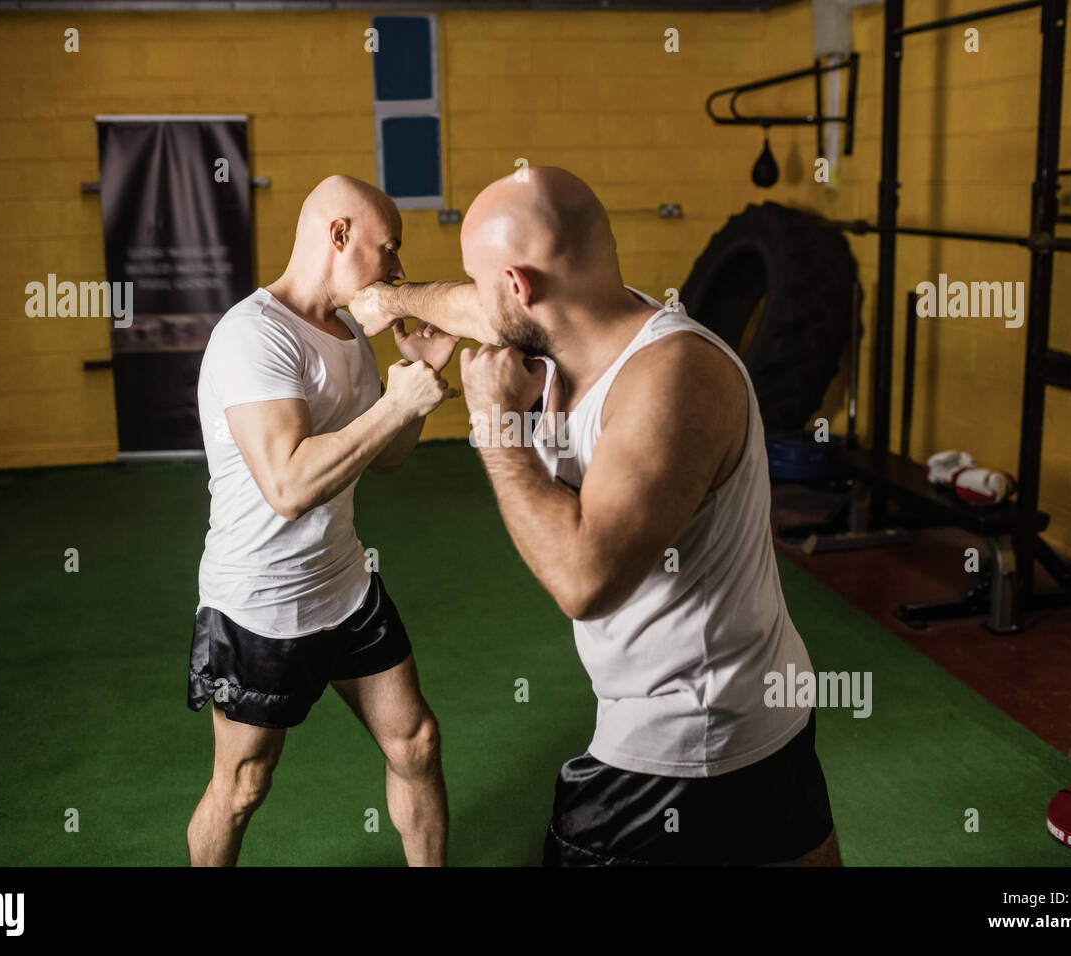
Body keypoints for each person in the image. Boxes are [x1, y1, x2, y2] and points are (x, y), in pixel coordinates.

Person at [349, 166, 841, 866]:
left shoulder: (668, 385)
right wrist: (387, 300)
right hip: (756, 709)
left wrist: (495, 425)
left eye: (480, 279)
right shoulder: (580, 314)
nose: (473, 304)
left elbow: (586, 580)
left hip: (680, 743)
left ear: (520, 286)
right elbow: (478, 309)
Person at [186, 175, 459, 866]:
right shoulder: (253, 336)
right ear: (338, 236)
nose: (396, 272)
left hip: (344, 586)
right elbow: (289, 483)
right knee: (243, 786)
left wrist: (415, 382)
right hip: (258, 604)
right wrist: (396, 406)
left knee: (416, 741)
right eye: (387, 250)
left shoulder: (344, 335)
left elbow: (386, 458)